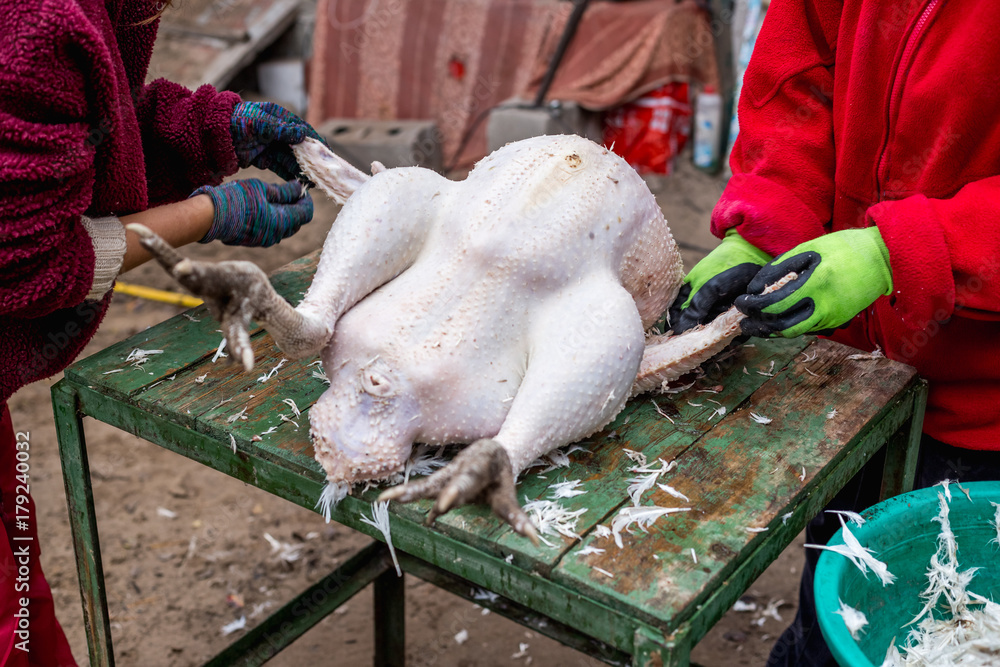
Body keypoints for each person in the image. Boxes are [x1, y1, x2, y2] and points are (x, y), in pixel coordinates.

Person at [668, 1, 1000, 665]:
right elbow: (799, 77)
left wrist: (907, 251)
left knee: (945, 629)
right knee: (838, 589)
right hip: (857, 374)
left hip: (985, 408)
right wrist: (766, 221)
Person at [0, 0, 324, 663]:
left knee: (23, 593)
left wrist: (214, 128)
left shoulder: (100, 17)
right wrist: (206, 212)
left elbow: (94, 126)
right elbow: (36, 264)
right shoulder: (39, 19)